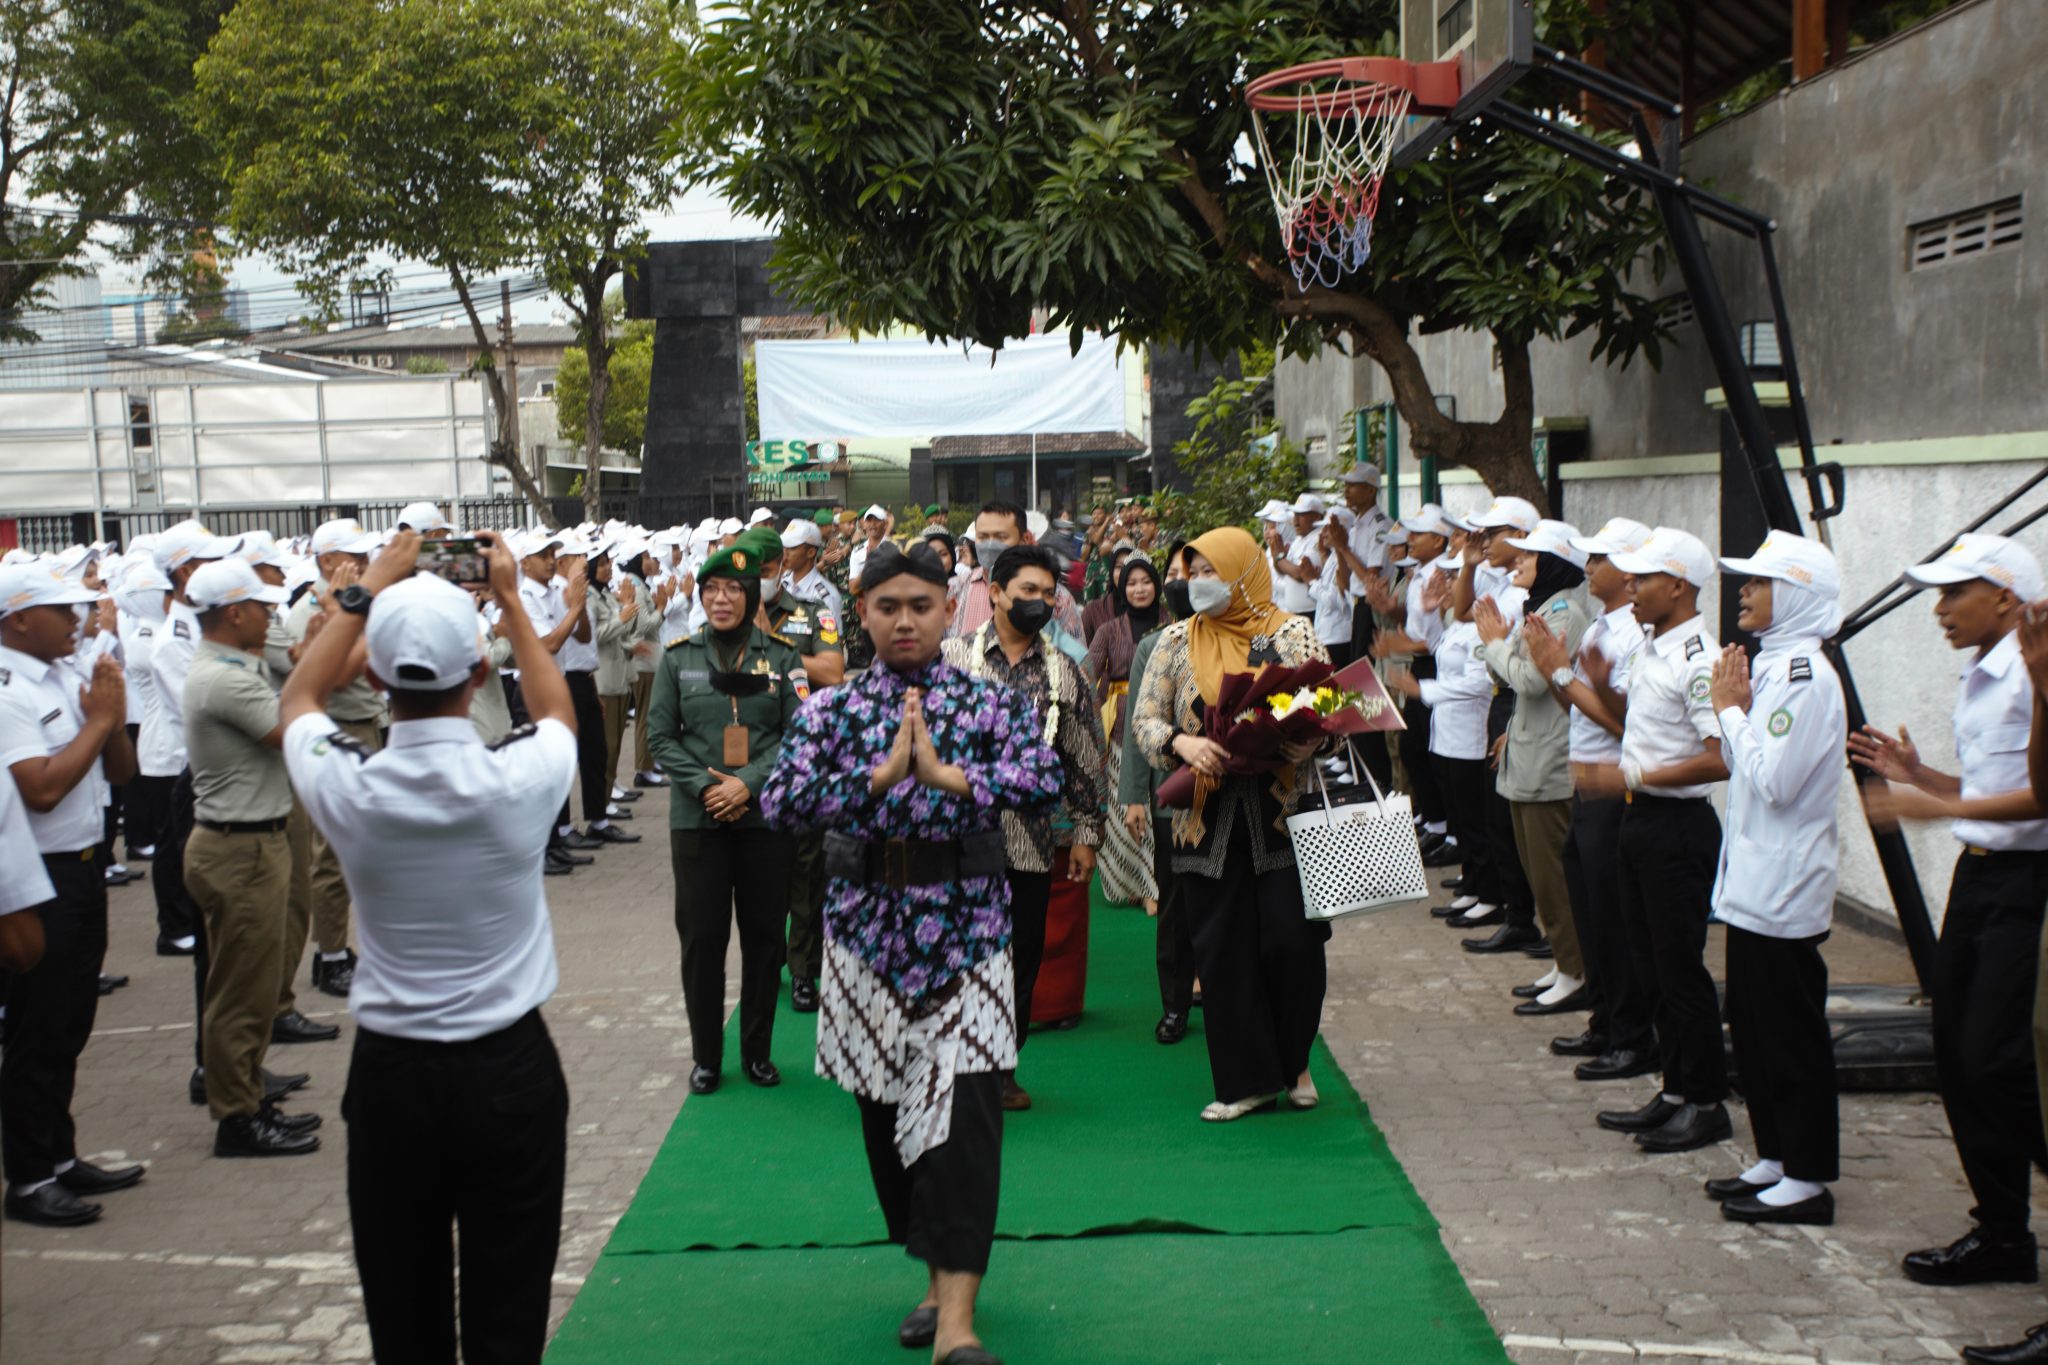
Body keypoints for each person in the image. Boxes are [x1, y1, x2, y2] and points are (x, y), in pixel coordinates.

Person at [760, 540, 1063, 1365]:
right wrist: (876, 780)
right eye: (887, 605)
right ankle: (933, 1275)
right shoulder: (830, 710)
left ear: (946, 610)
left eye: (921, 606)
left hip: (968, 933)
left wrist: (950, 777)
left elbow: (1045, 780)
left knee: (965, 1122)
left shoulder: (988, 703)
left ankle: (958, 1323)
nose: (904, 620)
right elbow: (780, 801)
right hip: (862, 938)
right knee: (888, 1121)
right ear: (861, 612)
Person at [282, 529, 575, 1364]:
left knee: (402, 1318)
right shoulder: (519, 779)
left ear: (374, 678)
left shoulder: (353, 787)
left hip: (392, 1076)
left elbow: (300, 700)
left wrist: (362, 588)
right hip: (509, 1068)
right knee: (508, 1312)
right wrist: (514, 600)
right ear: (478, 674)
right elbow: (554, 711)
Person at [1849, 534, 2048, 1290]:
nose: (1939, 609)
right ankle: (2001, 1232)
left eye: (1953, 592)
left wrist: (1929, 809)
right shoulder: (1987, 675)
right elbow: (1989, 786)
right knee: (1960, 1057)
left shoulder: (2035, 673)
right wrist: (1922, 776)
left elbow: (2041, 798)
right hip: (1980, 877)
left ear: (2004, 596)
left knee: (2001, 1061)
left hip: (2027, 884)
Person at [1131, 527, 1331, 1121]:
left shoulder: (1290, 632)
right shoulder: (1173, 642)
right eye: (1191, 573)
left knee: (1293, 943)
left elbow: (1329, 704)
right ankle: (1247, 1081)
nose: (1197, 583)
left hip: (1280, 815)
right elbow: (1143, 721)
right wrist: (1182, 744)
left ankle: (1294, 1060)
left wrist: (1309, 743)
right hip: (1202, 820)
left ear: (1243, 572)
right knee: (1222, 950)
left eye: (1210, 571)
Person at [1696, 531, 1847, 1227]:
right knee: (1752, 1028)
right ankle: (1776, 1156)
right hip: (1755, 883)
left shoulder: (1805, 678)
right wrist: (1734, 708)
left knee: (1790, 1034)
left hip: (1784, 887)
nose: (1745, 593)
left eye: (1760, 582)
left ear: (1795, 594)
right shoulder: (1774, 666)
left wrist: (1729, 707)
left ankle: (1809, 1174)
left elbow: (1774, 781)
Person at [0, 561, 143, 1226]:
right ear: (19, 617)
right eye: (62, 608)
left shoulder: (64, 672)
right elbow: (42, 786)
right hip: (39, 878)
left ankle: (59, 1156)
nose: (78, 619)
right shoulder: (8, 690)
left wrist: (108, 722)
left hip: (83, 865)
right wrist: (101, 719)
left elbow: (121, 768)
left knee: (70, 1023)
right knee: (37, 1029)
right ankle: (28, 1178)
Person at [1583, 526, 1732, 1155]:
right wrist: (1598, 683)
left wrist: (1635, 774)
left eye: (1643, 578)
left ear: (1677, 585)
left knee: (1680, 972)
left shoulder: (1701, 658)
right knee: (1648, 966)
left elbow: (1718, 757)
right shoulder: (1652, 645)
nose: (1632, 587)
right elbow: (1643, 718)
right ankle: (1674, 1090)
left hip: (1677, 827)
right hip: (1639, 819)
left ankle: (1705, 1103)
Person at [940, 544, 1105, 1111]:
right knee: (954, 957)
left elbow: (1085, 756)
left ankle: (1003, 1067)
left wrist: (1086, 832)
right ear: (995, 592)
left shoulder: (1064, 670)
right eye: (1026, 591)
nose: (1038, 601)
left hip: (1030, 847)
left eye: (1046, 592)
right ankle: (951, 1065)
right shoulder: (951, 659)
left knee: (1019, 961)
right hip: (953, 843)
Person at [647, 528, 806, 1094]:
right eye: (711, 588)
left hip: (763, 821)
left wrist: (748, 784)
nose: (721, 599)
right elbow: (660, 737)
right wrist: (704, 787)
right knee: (702, 940)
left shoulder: (783, 658)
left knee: (764, 940)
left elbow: (798, 733)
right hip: (698, 821)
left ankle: (757, 1053)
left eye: (733, 590)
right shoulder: (678, 660)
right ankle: (706, 1056)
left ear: (750, 596)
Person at [179, 557, 323, 1157]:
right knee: (239, 992)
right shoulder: (225, 678)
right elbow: (293, 728)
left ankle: (249, 1095)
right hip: (238, 847)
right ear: (233, 613)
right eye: (263, 608)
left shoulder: (238, 666)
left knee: (253, 983)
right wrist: (316, 656)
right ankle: (237, 1117)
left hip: (250, 840)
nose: (272, 617)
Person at [1526, 518, 1654, 1074]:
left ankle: (1629, 1034)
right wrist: (1553, 671)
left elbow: (1626, 724)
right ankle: (1603, 1022)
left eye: (1602, 558)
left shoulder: (1631, 635)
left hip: (1611, 785)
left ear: (1632, 574)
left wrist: (1559, 673)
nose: (1591, 567)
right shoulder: (1603, 625)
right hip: (1587, 785)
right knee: (1591, 916)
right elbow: (1575, 705)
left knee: (1614, 921)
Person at [1468, 521, 1592, 1017]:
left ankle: (1575, 971)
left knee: (1552, 876)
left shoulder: (1563, 612)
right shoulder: (1539, 609)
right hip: (1526, 751)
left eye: (1529, 554)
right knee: (1537, 873)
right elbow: (1504, 671)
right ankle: (1565, 965)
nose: (1517, 560)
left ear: (1554, 564)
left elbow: (1532, 681)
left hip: (1547, 762)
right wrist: (1495, 644)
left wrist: (1495, 642)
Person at [281, 517, 388, 997]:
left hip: (364, 722)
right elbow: (333, 677)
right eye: (354, 556)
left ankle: (340, 948)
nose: (365, 563)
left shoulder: (350, 602)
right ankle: (329, 956)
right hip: (338, 727)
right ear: (327, 562)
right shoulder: (312, 609)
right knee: (333, 852)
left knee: (358, 846)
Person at [760, 531, 848, 1014]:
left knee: (807, 868)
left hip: (808, 758)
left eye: (768, 569)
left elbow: (833, 672)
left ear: (782, 569)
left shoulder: (814, 612)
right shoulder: (725, 619)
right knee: (762, 871)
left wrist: (771, 646)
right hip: (752, 760)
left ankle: (804, 969)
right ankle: (768, 956)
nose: (760, 580)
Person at [1118, 549, 1197, 1044]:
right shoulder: (1156, 644)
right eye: (1175, 575)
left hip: (1233, 792)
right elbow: (1136, 728)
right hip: (1173, 793)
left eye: (1193, 574)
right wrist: (1134, 795)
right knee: (1175, 903)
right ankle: (1174, 1004)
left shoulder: (1249, 639)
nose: (1181, 583)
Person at [1086, 555, 1170, 911]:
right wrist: (1093, 715)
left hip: (1165, 725)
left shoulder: (1173, 624)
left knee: (1160, 806)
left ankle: (1155, 886)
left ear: (1157, 585)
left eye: (1146, 582)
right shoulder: (1109, 630)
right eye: (1132, 583)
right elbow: (1088, 674)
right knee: (1126, 811)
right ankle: (1134, 884)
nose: (1139, 589)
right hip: (1118, 724)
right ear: (1123, 589)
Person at [950, 501, 1084, 641]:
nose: (990, 545)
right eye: (982, 537)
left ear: (1024, 539)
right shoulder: (954, 590)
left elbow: (1079, 657)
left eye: (1000, 537)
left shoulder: (1056, 598)